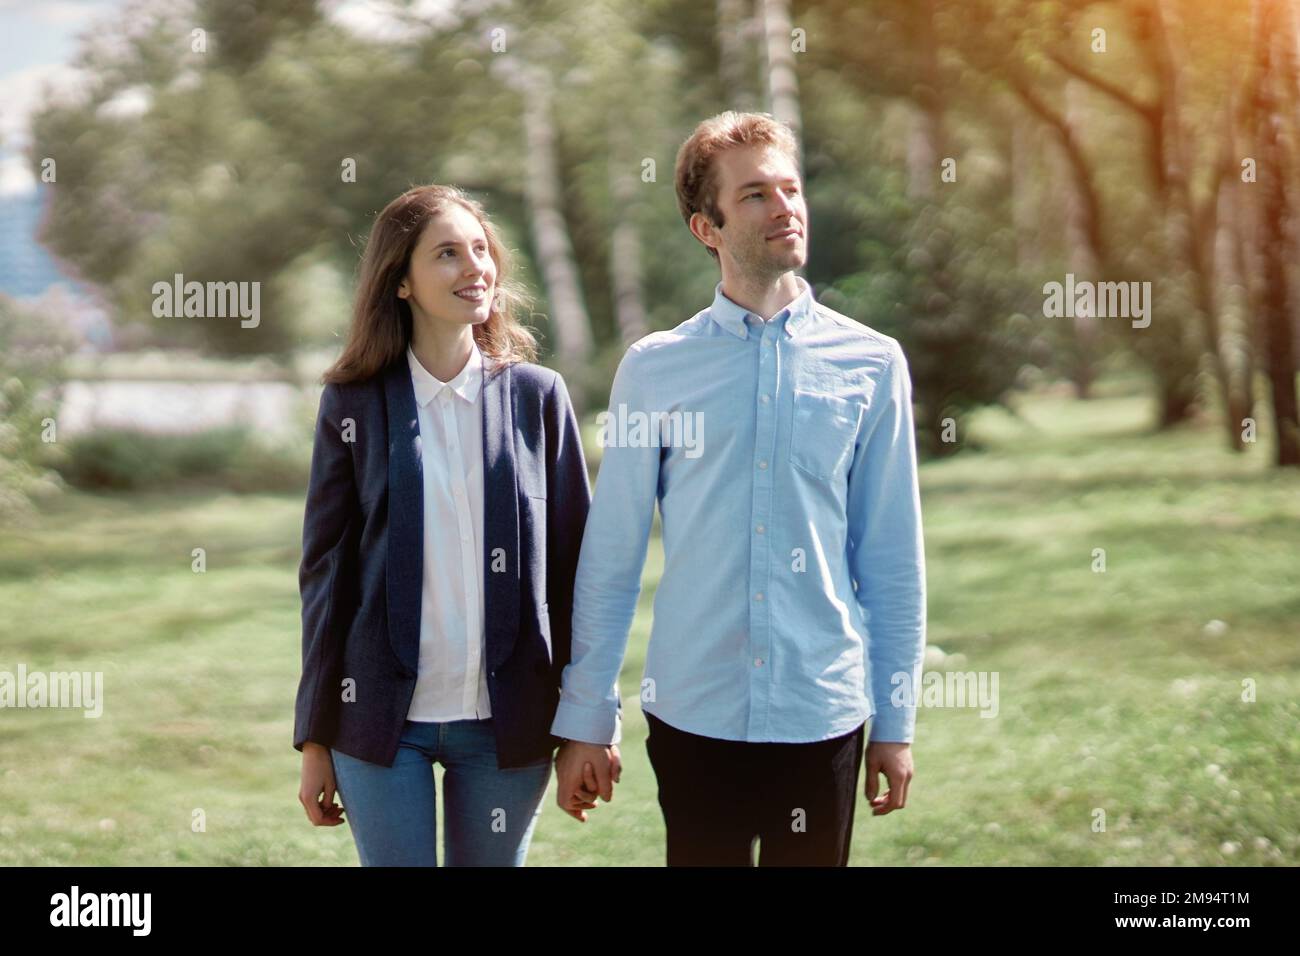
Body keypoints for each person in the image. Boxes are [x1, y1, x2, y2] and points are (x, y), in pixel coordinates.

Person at [552, 112, 928, 866]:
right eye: (755, 194)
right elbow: (613, 554)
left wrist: (896, 720)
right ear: (707, 227)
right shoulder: (654, 369)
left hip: (822, 713)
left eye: (791, 189)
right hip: (694, 714)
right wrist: (586, 717)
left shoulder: (872, 362)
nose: (784, 207)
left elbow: (890, 558)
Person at [294, 184, 596, 866]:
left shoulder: (537, 398)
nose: (475, 268)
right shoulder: (353, 404)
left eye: (481, 250)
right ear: (400, 281)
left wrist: (588, 721)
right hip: (378, 726)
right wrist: (315, 739)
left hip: (508, 728)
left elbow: (579, 574)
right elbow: (325, 580)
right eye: (448, 254)